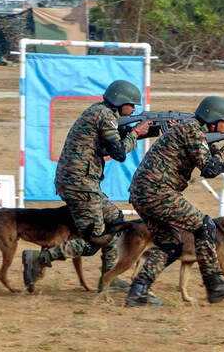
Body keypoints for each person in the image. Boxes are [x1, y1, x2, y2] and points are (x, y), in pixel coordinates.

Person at [125, 96, 224, 306]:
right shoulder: (192, 131)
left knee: (171, 243)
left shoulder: (194, 132)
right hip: (157, 192)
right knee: (205, 225)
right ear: (213, 120)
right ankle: (214, 284)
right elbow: (210, 169)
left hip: (144, 193)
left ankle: (138, 292)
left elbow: (217, 163)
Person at [22, 80, 156, 292]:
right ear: (120, 102)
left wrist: (151, 130)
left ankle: (108, 277)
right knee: (96, 239)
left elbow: (115, 140)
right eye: (131, 105)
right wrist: (136, 133)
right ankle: (39, 259)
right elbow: (120, 152)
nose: (133, 109)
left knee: (117, 223)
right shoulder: (104, 116)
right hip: (80, 185)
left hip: (82, 183)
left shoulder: (100, 113)